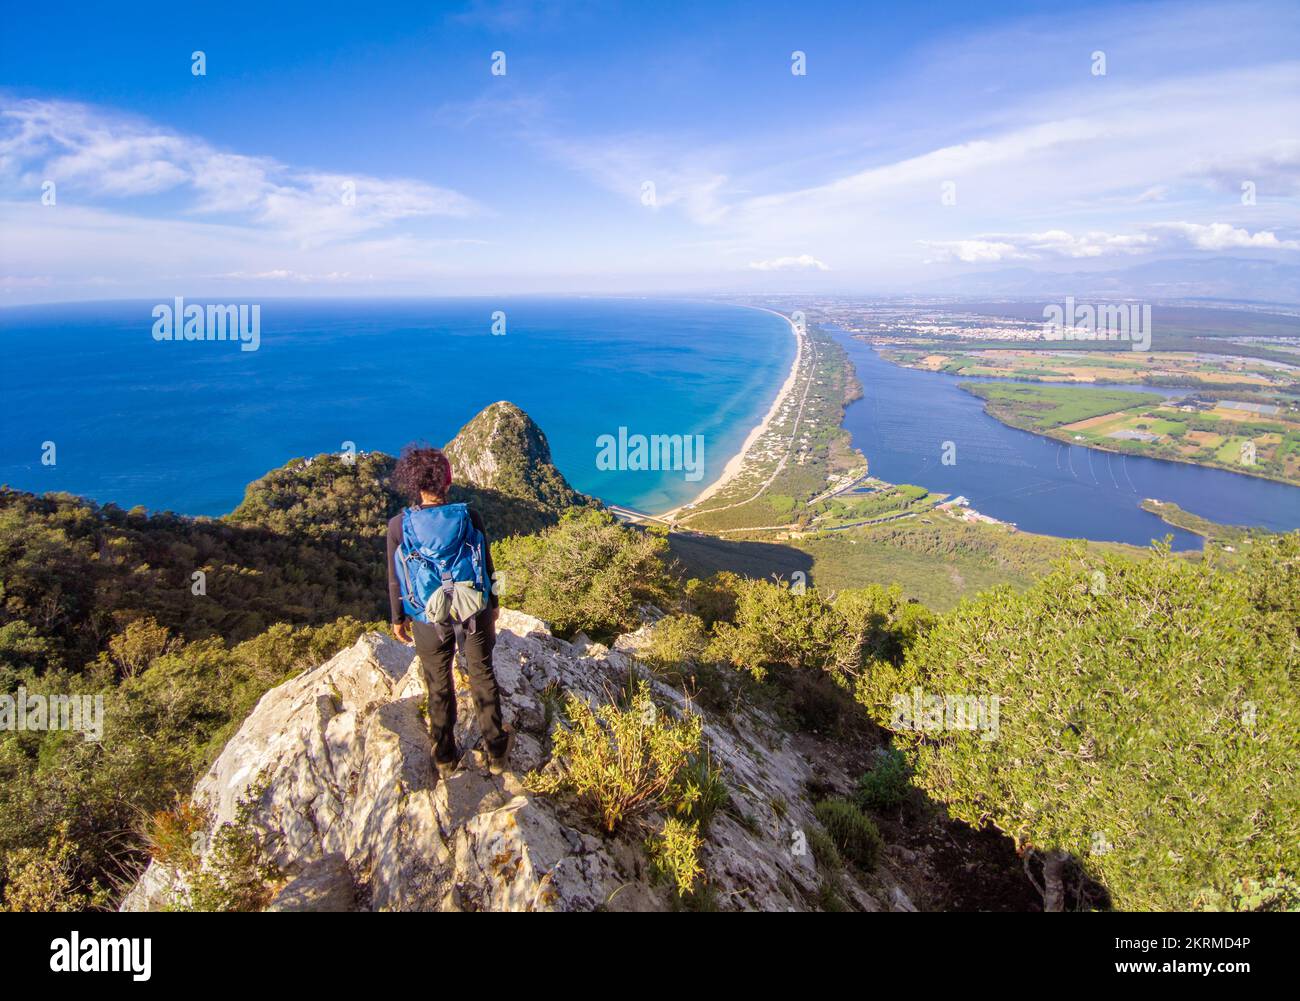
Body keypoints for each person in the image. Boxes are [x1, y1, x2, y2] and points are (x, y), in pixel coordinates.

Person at [386, 444, 511, 779]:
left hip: (428, 616)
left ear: (414, 485)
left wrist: (399, 618)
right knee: (482, 674)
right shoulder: (469, 517)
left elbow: (396, 577)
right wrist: (494, 604)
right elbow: (487, 565)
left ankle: (444, 754)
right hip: (474, 609)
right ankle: (497, 751)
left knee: (438, 683)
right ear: (447, 482)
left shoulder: (399, 526)